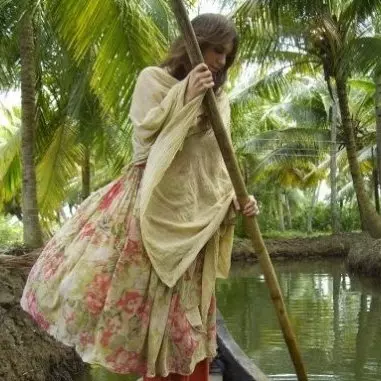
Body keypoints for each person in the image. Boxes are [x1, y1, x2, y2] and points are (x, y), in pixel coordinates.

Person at [20, 13, 259, 381]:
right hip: (148, 211)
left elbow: (216, 169)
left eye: (227, 55)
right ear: (193, 44)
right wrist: (186, 96)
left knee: (188, 327)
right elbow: (147, 141)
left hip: (195, 228)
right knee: (148, 317)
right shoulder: (154, 81)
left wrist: (237, 200)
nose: (221, 62)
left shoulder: (220, 102)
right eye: (215, 50)